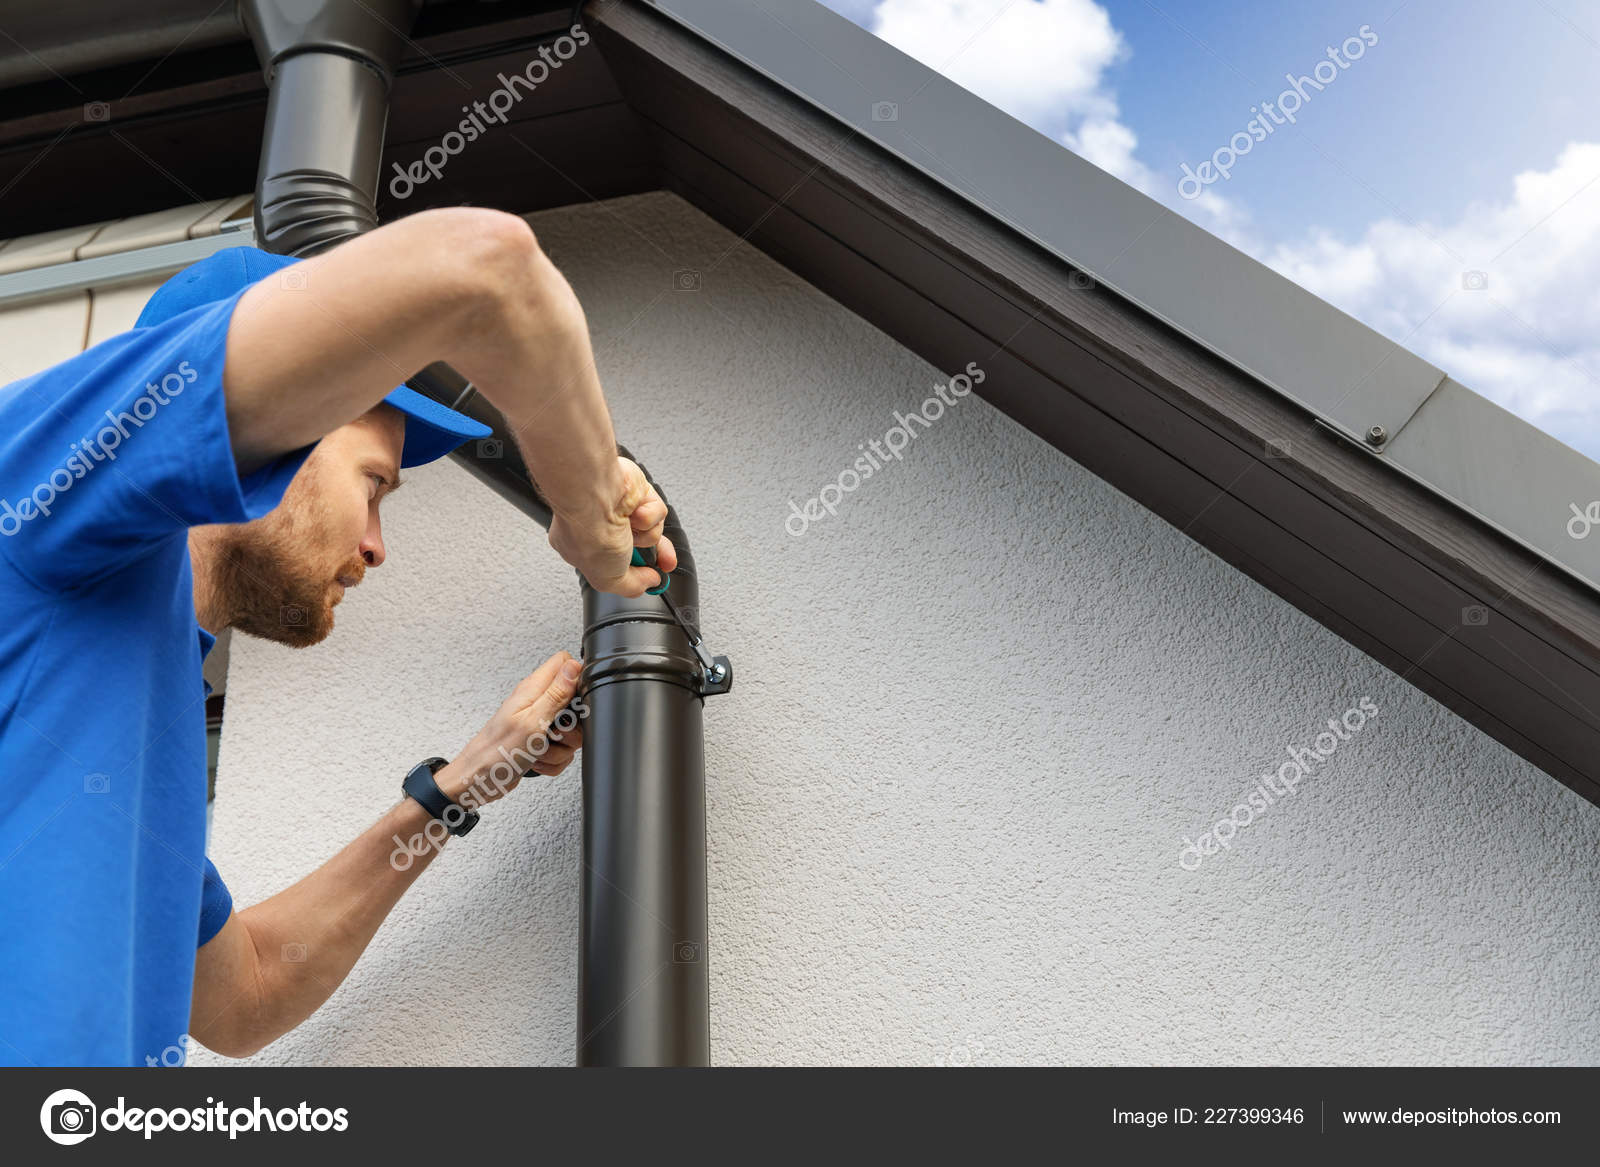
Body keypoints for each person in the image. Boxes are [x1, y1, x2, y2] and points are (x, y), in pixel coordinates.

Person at [0, 207, 676, 1066]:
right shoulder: (41, 477)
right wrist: (587, 506)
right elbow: (487, 264)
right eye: (375, 483)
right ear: (276, 434)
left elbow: (244, 995)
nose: (376, 547)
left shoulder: (141, 687)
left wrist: (463, 781)